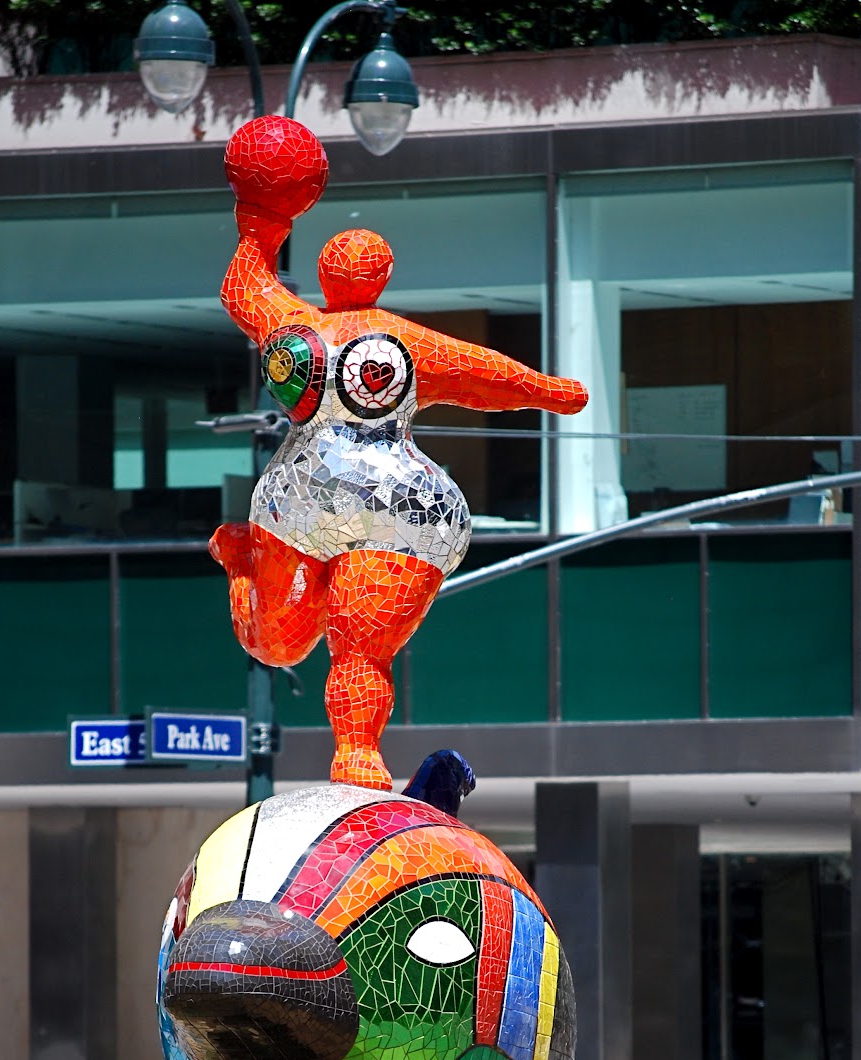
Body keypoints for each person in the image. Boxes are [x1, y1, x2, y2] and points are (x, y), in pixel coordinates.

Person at [213, 115, 588, 790]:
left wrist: (261, 221)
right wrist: (548, 391)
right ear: (382, 275)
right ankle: (242, 561)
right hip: (351, 509)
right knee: (283, 641)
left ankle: (356, 748)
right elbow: (489, 377)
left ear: (333, 275)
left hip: (348, 511)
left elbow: (243, 282)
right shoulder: (372, 338)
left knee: (345, 637)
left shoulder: (298, 325)